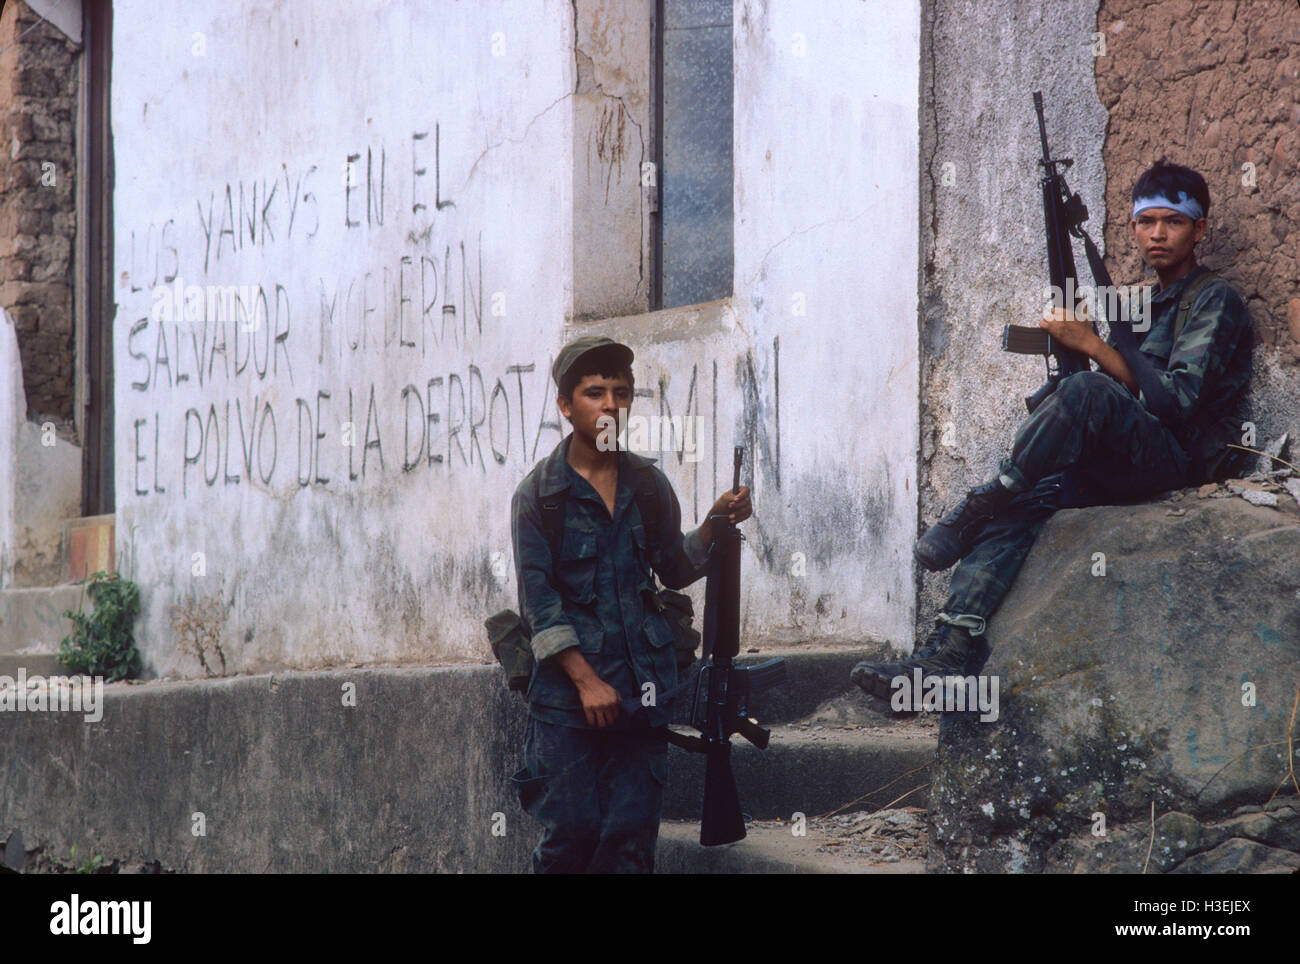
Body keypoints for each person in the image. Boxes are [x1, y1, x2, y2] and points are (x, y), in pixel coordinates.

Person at [852, 159, 1253, 702]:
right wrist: (1074, 351)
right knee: (1026, 499)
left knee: (1081, 397)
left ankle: (984, 499)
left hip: (1175, 461)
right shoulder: (1136, 306)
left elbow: (1176, 401)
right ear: (1133, 227)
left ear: (1198, 229)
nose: (1158, 234)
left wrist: (1093, 347)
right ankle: (949, 652)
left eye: (1173, 222)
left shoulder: (1214, 299)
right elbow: (1110, 386)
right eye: (1146, 222)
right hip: (1122, 460)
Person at [509, 335, 751, 873]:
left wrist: (713, 527)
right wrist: (585, 680)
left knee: (628, 844)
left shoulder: (648, 484)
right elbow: (540, 606)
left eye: (621, 393)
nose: (611, 405)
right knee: (570, 838)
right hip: (568, 701)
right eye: (595, 393)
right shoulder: (539, 496)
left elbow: (674, 566)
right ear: (566, 406)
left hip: (642, 690)